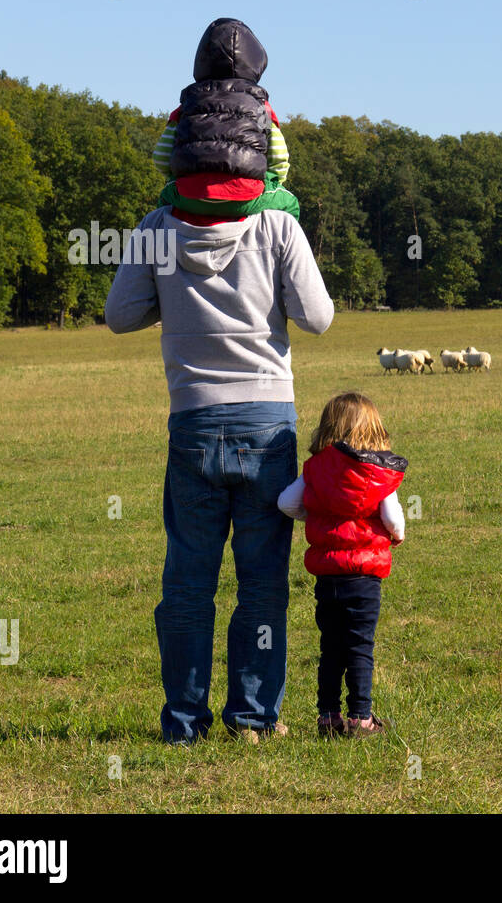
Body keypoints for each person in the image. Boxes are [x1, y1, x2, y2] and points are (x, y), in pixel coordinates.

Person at [104, 198, 334, 743]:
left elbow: (119, 316)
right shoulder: (278, 225)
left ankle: (184, 724)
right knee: (262, 584)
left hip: (193, 419)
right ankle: (252, 719)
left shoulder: (157, 228)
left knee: (187, 583)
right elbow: (317, 318)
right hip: (266, 421)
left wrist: (176, 298)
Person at [277, 392, 407, 737]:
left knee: (331, 646)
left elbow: (287, 503)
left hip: (329, 577)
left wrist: (313, 513)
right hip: (365, 576)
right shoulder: (379, 472)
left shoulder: (316, 468)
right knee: (360, 646)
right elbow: (394, 519)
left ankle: (328, 718)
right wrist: (397, 536)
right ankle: (360, 718)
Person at [152, 17, 299, 219]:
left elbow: (161, 157)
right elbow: (279, 159)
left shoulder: (186, 106)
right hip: (245, 197)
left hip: (191, 197)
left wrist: (177, 179)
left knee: (164, 202)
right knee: (290, 204)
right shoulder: (261, 108)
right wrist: (272, 183)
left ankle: (166, 243)